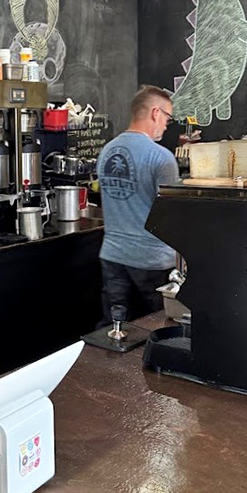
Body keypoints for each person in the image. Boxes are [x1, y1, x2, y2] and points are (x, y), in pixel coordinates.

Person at [96, 85, 180, 326]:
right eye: (167, 117)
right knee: (157, 328)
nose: (166, 124)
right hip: (152, 261)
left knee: (114, 329)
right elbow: (171, 215)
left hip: (113, 256)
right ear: (156, 112)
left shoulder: (107, 151)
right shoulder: (162, 157)